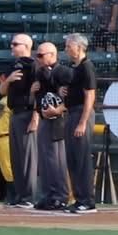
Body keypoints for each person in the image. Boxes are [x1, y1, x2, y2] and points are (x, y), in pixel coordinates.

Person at [28, 41, 72, 211]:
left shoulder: (64, 72)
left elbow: (72, 96)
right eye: (36, 55)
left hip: (59, 120)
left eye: (40, 55)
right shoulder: (40, 74)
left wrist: (59, 105)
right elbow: (37, 99)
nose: (37, 58)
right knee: (45, 161)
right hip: (45, 119)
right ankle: (48, 195)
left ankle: (60, 196)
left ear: (52, 55)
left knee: (56, 160)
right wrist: (33, 92)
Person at [61, 34, 99, 214]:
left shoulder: (86, 67)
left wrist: (83, 123)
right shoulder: (74, 68)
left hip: (81, 114)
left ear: (79, 47)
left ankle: (87, 200)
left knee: (82, 158)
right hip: (71, 113)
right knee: (73, 158)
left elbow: (90, 95)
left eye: (69, 46)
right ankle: (78, 198)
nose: (67, 49)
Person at [0, 34, 37, 208]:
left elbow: (39, 93)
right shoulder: (12, 66)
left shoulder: (34, 65)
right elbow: (1, 90)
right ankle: (20, 194)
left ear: (26, 46)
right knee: (16, 158)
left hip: (28, 113)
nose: (12, 47)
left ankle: (29, 196)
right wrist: (8, 79)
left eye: (15, 44)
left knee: (28, 158)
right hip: (14, 113)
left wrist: (36, 118)